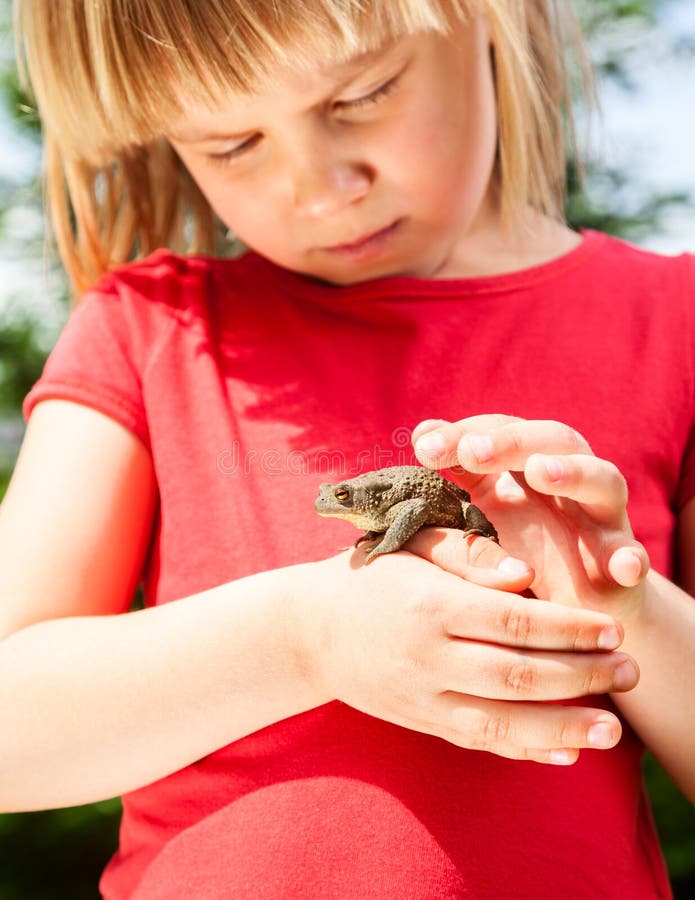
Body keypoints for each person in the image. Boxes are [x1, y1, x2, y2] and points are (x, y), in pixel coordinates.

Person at [2, 1, 693, 897]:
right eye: (231, 144)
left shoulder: (671, 323)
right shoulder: (148, 328)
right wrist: (306, 639)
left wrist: (624, 604)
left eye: (363, 94)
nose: (323, 187)